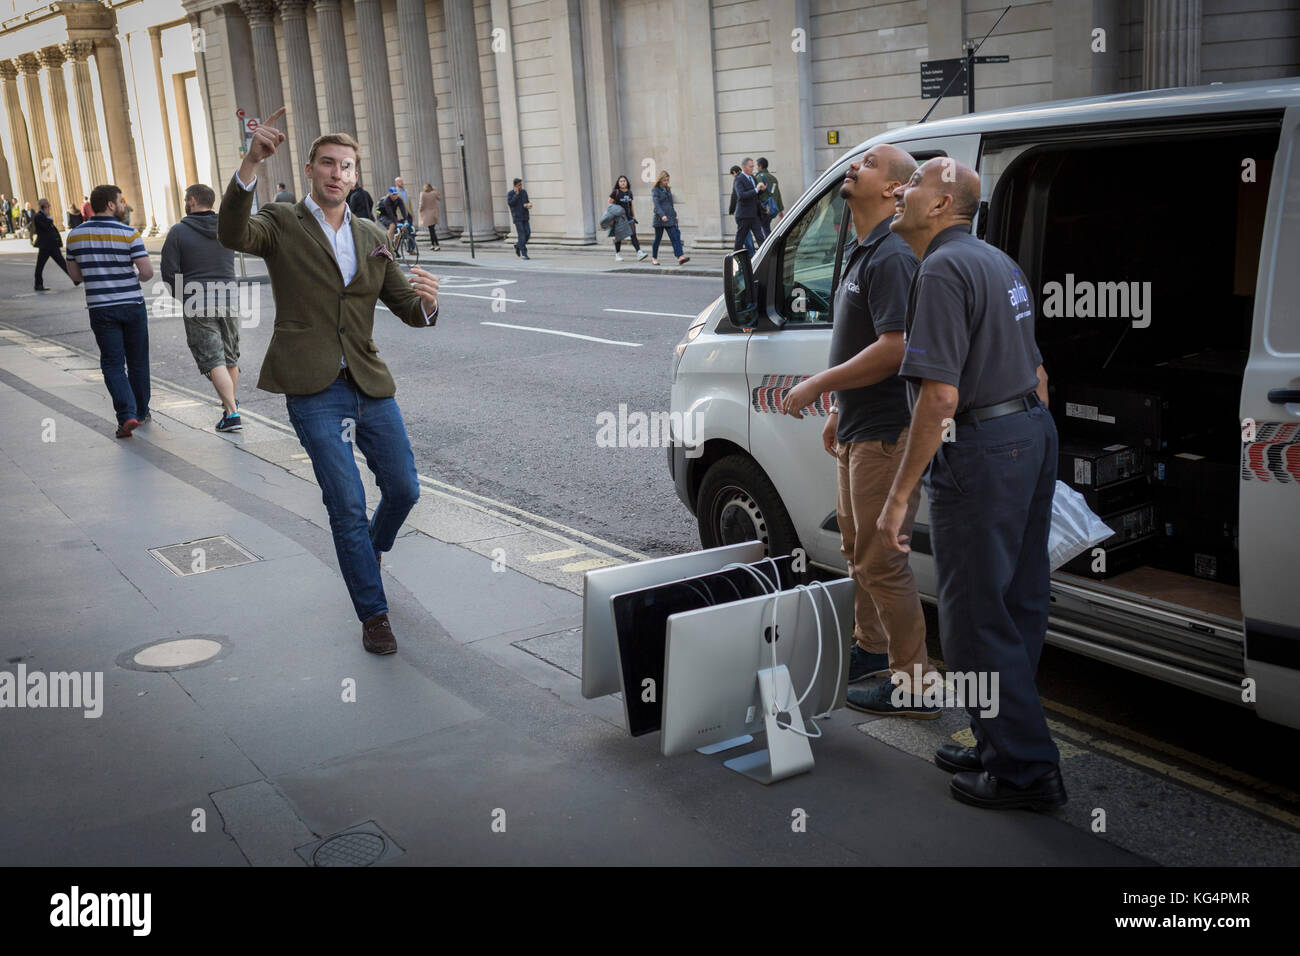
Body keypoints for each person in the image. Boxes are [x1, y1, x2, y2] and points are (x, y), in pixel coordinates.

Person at [217, 109, 442, 656]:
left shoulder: (373, 233)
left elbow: (406, 308)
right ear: (311, 169)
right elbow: (231, 233)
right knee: (345, 502)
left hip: (368, 382)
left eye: (347, 167)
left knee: (405, 489)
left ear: (356, 177)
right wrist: (250, 161)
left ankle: (369, 551)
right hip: (315, 390)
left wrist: (430, 305)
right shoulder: (279, 221)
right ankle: (375, 614)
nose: (337, 174)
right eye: (327, 164)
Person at [879, 157, 1063, 811]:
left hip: (984, 450)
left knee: (975, 622)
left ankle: (1025, 771)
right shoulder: (997, 261)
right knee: (1017, 605)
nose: (900, 192)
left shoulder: (943, 268)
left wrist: (900, 496)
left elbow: (940, 397)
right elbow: (1038, 375)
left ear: (940, 205)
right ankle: (999, 739)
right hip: (1029, 433)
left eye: (915, 184)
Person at [780, 144, 935, 718]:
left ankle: (914, 685)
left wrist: (820, 383)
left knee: (880, 560)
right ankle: (872, 651)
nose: (854, 166)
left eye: (868, 164)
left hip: (886, 435)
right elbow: (865, 338)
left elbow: (896, 349)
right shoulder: (863, 248)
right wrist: (839, 407)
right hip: (858, 427)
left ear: (896, 189)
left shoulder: (892, 255)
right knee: (856, 549)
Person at [65, 184, 154, 438]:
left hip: (101, 308)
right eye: (121, 201)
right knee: (137, 361)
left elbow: (75, 276)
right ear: (111, 205)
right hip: (132, 306)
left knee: (113, 363)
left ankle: (126, 416)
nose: (124, 205)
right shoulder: (129, 233)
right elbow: (147, 273)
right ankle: (141, 411)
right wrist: (131, 276)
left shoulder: (75, 236)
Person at [161, 183, 243, 432]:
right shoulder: (225, 227)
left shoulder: (178, 231)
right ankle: (229, 407)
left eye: (187, 199)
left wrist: (183, 297)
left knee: (212, 358)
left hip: (198, 300)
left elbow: (169, 271)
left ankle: (232, 413)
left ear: (194, 200)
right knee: (230, 356)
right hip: (229, 297)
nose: (186, 203)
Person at [32, 198, 77, 292]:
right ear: (43, 206)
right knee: (40, 265)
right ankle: (38, 284)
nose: (49, 206)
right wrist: (48, 218)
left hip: (52, 245)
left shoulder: (45, 216)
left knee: (63, 263)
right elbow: (45, 228)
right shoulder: (38, 216)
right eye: (47, 205)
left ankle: (75, 279)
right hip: (45, 246)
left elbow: (53, 231)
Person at [649, 171, 689, 266]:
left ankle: (680, 257)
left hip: (670, 217)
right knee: (657, 239)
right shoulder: (655, 190)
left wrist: (675, 215)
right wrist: (662, 215)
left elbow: (670, 204)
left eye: (667, 180)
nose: (666, 182)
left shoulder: (668, 189)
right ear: (660, 180)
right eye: (664, 180)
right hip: (660, 218)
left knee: (675, 237)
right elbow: (657, 204)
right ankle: (654, 258)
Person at [608, 175, 646, 261]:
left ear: (627, 182)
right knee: (619, 237)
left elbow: (631, 205)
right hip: (619, 218)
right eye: (621, 181)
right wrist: (612, 216)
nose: (623, 182)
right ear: (618, 183)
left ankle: (639, 252)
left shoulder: (629, 192)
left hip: (629, 217)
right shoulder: (616, 192)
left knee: (633, 235)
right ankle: (618, 254)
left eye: (624, 181)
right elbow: (610, 204)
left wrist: (634, 216)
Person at [731, 158, 765, 252]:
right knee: (740, 240)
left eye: (753, 166)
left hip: (754, 214)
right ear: (744, 167)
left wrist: (762, 189)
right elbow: (741, 195)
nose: (752, 168)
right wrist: (756, 189)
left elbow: (756, 194)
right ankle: (734, 260)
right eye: (751, 166)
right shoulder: (739, 179)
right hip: (744, 215)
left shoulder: (753, 177)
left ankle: (766, 257)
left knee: (760, 238)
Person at [727, 167, 755, 256]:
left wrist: (731, 209)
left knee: (744, 234)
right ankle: (750, 252)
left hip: (742, 212)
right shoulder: (748, 178)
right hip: (751, 211)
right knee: (748, 233)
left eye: (732, 174)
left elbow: (734, 196)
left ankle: (750, 253)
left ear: (734, 172)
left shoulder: (738, 180)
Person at [756, 157, 783, 233]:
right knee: (766, 227)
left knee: (763, 228)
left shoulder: (758, 178)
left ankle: (770, 244)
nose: (756, 167)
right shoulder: (774, 178)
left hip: (764, 209)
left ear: (760, 166)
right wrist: (780, 210)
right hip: (773, 209)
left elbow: (757, 194)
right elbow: (778, 194)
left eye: (757, 166)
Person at [376, 186, 409, 251]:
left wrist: (406, 220)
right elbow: (389, 212)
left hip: (392, 215)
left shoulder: (398, 199)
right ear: (390, 194)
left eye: (396, 194)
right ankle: (388, 246)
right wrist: (396, 222)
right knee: (393, 225)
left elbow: (403, 210)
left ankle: (395, 249)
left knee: (399, 230)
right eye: (393, 194)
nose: (395, 196)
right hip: (383, 216)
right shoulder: (386, 200)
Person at [507, 177, 531, 259]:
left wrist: (528, 205)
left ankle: (518, 245)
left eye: (521, 185)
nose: (521, 186)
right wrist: (516, 195)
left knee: (528, 233)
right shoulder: (510, 193)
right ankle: (524, 254)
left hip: (525, 216)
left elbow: (526, 201)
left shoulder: (524, 192)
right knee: (522, 235)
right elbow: (510, 203)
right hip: (517, 218)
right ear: (515, 185)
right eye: (519, 185)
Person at [418, 182, 441, 250]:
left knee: (432, 230)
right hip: (433, 214)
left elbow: (421, 204)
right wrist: (435, 190)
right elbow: (439, 197)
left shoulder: (422, 194)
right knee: (432, 230)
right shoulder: (434, 193)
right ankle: (432, 245)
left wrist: (420, 210)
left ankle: (437, 245)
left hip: (426, 215)